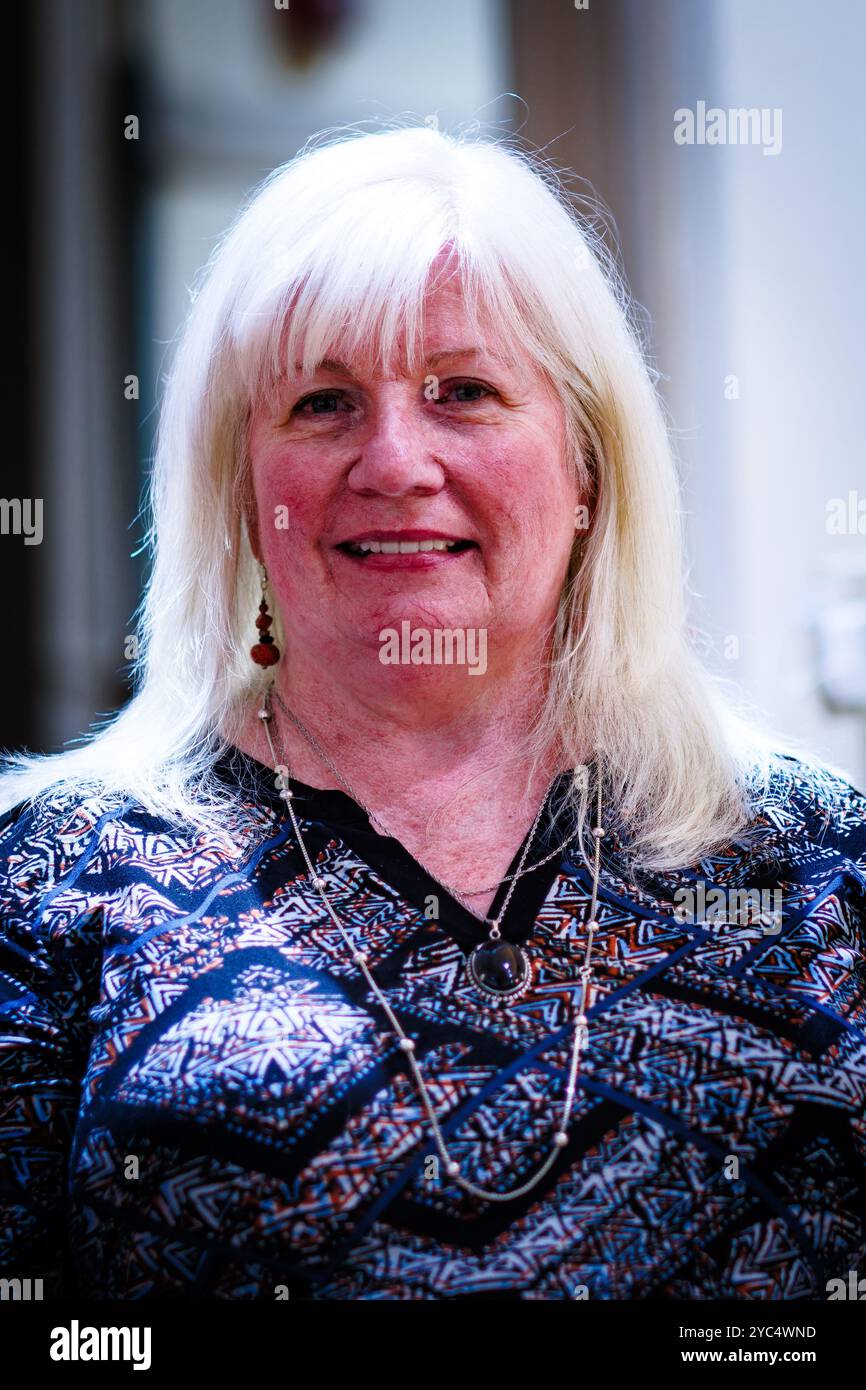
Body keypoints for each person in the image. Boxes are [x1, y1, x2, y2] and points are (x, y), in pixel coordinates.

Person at [1, 123, 864, 1301]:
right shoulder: (47, 879)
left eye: (462, 390)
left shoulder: (815, 865)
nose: (394, 461)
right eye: (321, 403)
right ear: (240, 490)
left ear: (586, 470)